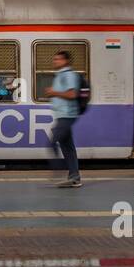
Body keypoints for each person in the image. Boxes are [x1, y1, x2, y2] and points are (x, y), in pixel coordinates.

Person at [46, 50, 85, 188]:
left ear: (66, 61)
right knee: (68, 147)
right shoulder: (59, 76)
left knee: (51, 142)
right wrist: (54, 94)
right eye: (55, 59)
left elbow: (72, 94)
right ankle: (75, 178)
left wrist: (54, 92)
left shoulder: (68, 75)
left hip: (67, 115)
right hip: (62, 115)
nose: (55, 61)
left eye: (58, 59)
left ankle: (57, 171)